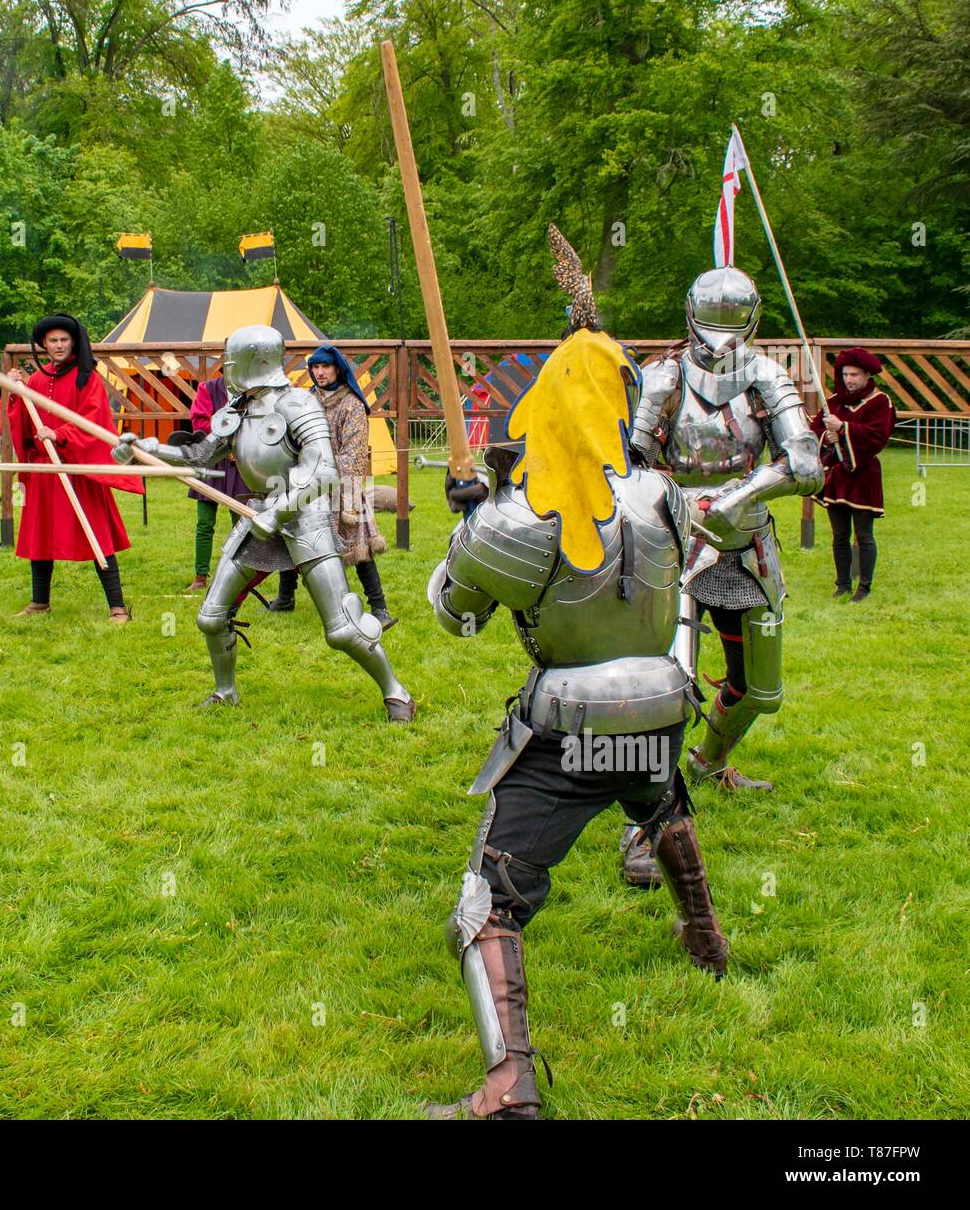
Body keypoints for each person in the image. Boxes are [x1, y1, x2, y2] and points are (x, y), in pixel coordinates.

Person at [426, 235, 724, 1120]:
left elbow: (455, 613)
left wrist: (469, 523)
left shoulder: (523, 518)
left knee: (487, 903)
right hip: (662, 704)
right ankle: (704, 933)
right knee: (657, 794)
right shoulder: (664, 492)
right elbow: (690, 577)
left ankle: (508, 1085)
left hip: (568, 725)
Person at [114, 324, 415, 720]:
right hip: (257, 512)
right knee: (210, 616)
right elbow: (201, 455)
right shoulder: (237, 409)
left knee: (341, 629)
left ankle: (397, 693)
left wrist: (279, 511)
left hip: (306, 517)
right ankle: (226, 693)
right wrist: (146, 449)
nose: (227, 369)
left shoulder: (298, 405)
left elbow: (323, 470)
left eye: (231, 361)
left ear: (254, 362)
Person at [624, 267, 822, 855]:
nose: (718, 339)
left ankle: (709, 760)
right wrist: (682, 504)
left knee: (761, 690)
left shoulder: (766, 375)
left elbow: (805, 465)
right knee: (669, 683)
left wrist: (733, 499)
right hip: (674, 541)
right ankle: (648, 816)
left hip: (746, 544)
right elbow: (632, 459)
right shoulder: (662, 376)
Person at [6, 314, 141, 621]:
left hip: (78, 468)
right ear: (44, 344)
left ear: (73, 342)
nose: (58, 346)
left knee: (97, 534)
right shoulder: (37, 382)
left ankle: (117, 606)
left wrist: (60, 434)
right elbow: (23, 423)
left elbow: (93, 420)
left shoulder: (88, 378)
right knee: (40, 536)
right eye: (52, 341)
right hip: (46, 472)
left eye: (64, 340)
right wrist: (17, 393)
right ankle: (39, 602)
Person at [269, 345, 396, 629]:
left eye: (325, 366)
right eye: (315, 367)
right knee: (291, 534)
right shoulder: (306, 401)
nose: (319, 372)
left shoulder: (351, 405)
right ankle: (285, 597)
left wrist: (319, 466)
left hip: (342, 486)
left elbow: (355, 454)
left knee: (358, 545)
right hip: (304, 484)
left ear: (337, 369)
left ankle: (379, 607)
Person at [809, 348, 896, 602]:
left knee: (864, 534)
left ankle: (864, 587)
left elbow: (877, 436)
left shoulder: (881, 402)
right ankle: (843, 584)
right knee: (839, 535)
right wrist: (828, 436)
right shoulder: (834, 402)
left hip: (864, 476)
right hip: (837, 478)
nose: (849, 379)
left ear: (867, 375)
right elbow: (814, 432)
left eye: (855, 374)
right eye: (846, 374)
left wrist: (844, 428)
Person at [183, 371, 251, 591]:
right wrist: (224, 444)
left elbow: (255, 424)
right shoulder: (208, 388)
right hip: (211, 460)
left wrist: (238, 447)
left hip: (240, 463)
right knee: (204, 523)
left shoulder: (252, 390)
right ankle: (200, 577)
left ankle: (240, 575)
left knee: (240, 524)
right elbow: (199, 421)